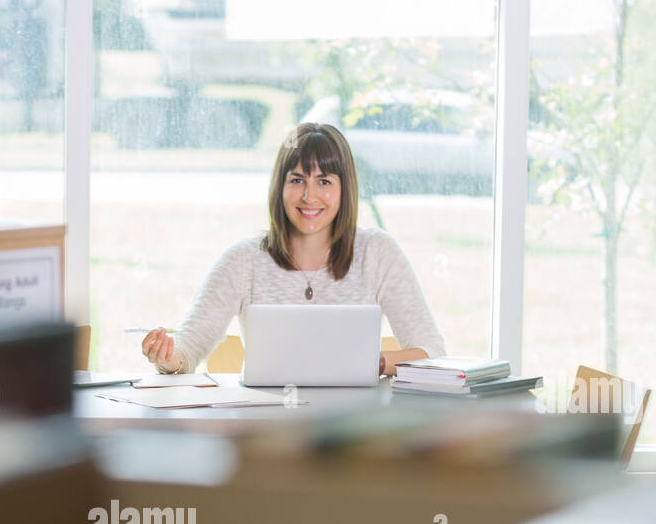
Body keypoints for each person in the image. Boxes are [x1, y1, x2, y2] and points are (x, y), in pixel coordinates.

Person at [141, 122, 446, 377]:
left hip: (353, 424)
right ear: (280, 187)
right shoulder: (243, 260)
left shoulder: (378, 253)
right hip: (268, 425)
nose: (309, 196)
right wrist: (167, 357)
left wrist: (373, 362)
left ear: (344, 189)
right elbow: (190, 345)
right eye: (297, 180)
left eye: (324, 181)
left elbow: (431, 353)